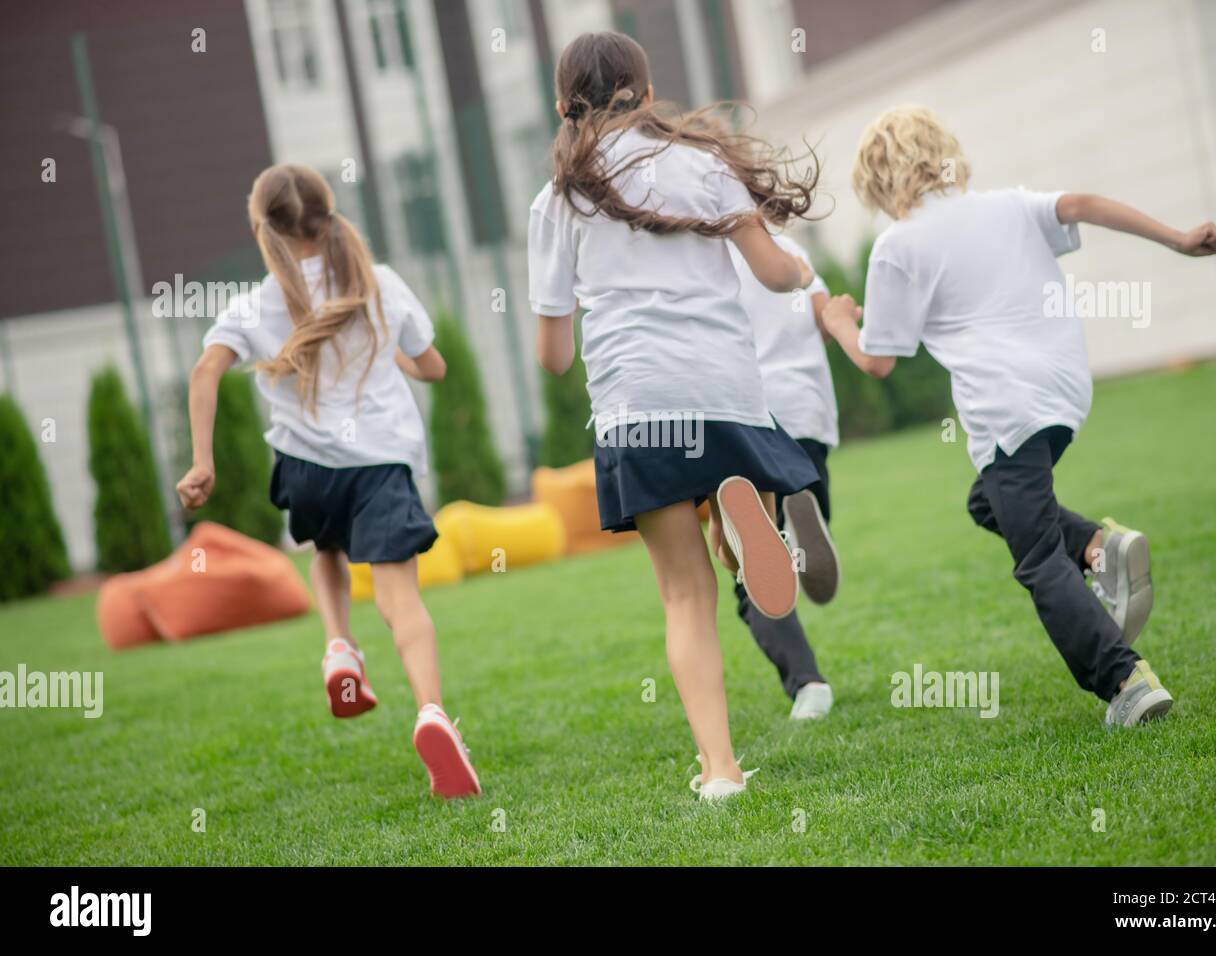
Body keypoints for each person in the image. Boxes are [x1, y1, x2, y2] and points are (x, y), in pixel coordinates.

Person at [822, 105, 1216, 726]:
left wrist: (836, 325)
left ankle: (1126, 681)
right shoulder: (1006, 205)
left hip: (1008, 409)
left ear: (878, 180)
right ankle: (1100, 546)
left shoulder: (898, 245)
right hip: (1064, 393)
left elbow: (878, 362)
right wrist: (1176, 238)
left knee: (1037, 557)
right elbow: (1084, 202)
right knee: (987, 503)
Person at [528, 32, 822, 800]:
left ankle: (720, 770)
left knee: (683, 597)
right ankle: (747, 522)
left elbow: (554, 356)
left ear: (563, 107)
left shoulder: (557, 198)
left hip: (636, 405)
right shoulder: (704, 163)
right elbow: (772, 272)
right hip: (722, 388)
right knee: (734, 505)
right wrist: (800, 270)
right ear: (648, 94)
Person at [177, 163, 481, 796]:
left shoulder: (256, 303)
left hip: (307, 470)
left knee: (326, 550)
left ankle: (339, 647)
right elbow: (434, 368)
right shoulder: (381, 285)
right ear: (330, 212)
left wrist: (202, 461)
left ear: (266, 231)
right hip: (379, 464)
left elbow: (205, 371)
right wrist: (389, 351)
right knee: (403, 604)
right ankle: (432, 713)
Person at [726, 233, 839, 720]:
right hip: (806, 407)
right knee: (809, 506)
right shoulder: (791, 248)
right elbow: (826, 318)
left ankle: (808, 684)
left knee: (748, 566)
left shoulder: (708, 258)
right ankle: (801, 536)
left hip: (750, 414)